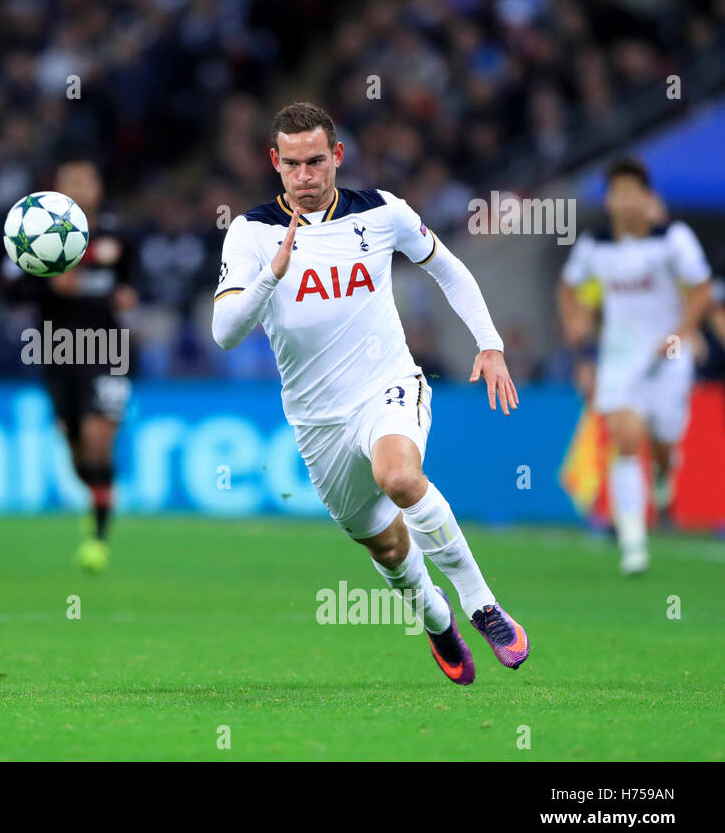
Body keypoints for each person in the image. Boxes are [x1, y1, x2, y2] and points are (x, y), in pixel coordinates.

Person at [212, 102, 526, 686]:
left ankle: (482, 604)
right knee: (385, 547)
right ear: (274, 163)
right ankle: (436, 620)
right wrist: (271, 275)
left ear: (337, 157)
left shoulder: (382, 212)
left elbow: (449, 268)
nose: (305, 177)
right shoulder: (252, 232)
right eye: (292, 165)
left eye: (316, 162)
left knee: (401, 478)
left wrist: (489, 343)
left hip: (388, 385)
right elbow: (225, 333)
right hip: (317, 420)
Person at [558, 157, 713, 573]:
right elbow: (569, 288)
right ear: (609, 200)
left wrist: (680, 331)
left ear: (647, 198)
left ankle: (664, 475)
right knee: (626, 439)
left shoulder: (673, 239)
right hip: (619, 358)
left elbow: (701, 290)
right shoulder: (594, 245)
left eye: (632, 192)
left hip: (669, 357)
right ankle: (633, 542)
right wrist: (575, 322)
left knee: (662, 441)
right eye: (616, 192)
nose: (624, 201)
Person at [2, 160, 136, 572]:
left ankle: (98, 539)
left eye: (87, 180)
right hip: (58, 351)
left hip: (108, 348)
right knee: (77, 447)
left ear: (98, 188)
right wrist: (45, 283)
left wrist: (128, 294)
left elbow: (133, 279)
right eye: (71, 182)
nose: (81, 188)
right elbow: (6, 291)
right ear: (57, 191)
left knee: (99, 438)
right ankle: (96, 495)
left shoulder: (115, 234)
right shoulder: (32, 231)